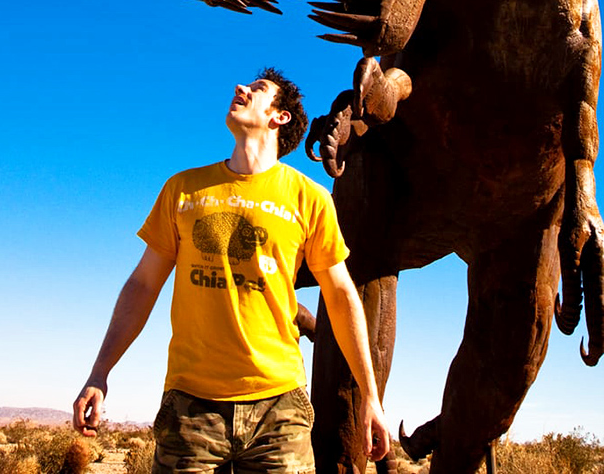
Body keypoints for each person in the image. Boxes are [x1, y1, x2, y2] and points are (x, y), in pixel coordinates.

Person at [73, 67, 390, 471]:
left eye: (258, 89)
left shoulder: (308, 198)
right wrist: (99, 372)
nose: (241, 88)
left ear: (281, 117)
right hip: (190, 406)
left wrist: (370, 397)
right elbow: (142, 285)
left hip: (280, 409)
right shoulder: (183, 189)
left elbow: (342, 296)